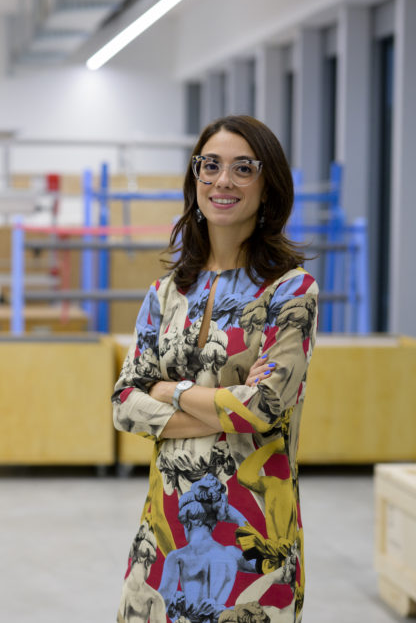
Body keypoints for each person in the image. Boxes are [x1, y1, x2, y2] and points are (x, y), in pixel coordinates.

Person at [113, 115, 318, 623]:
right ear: (195, 179)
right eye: (211, 166)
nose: (223, 180)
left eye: (242, 168)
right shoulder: (165, 294)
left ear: (268, 186)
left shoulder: (290, 292)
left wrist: (168, 390)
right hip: (165, 535)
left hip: (253, 547)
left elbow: (265, 407)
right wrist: (227, 406)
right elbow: (123, 406)